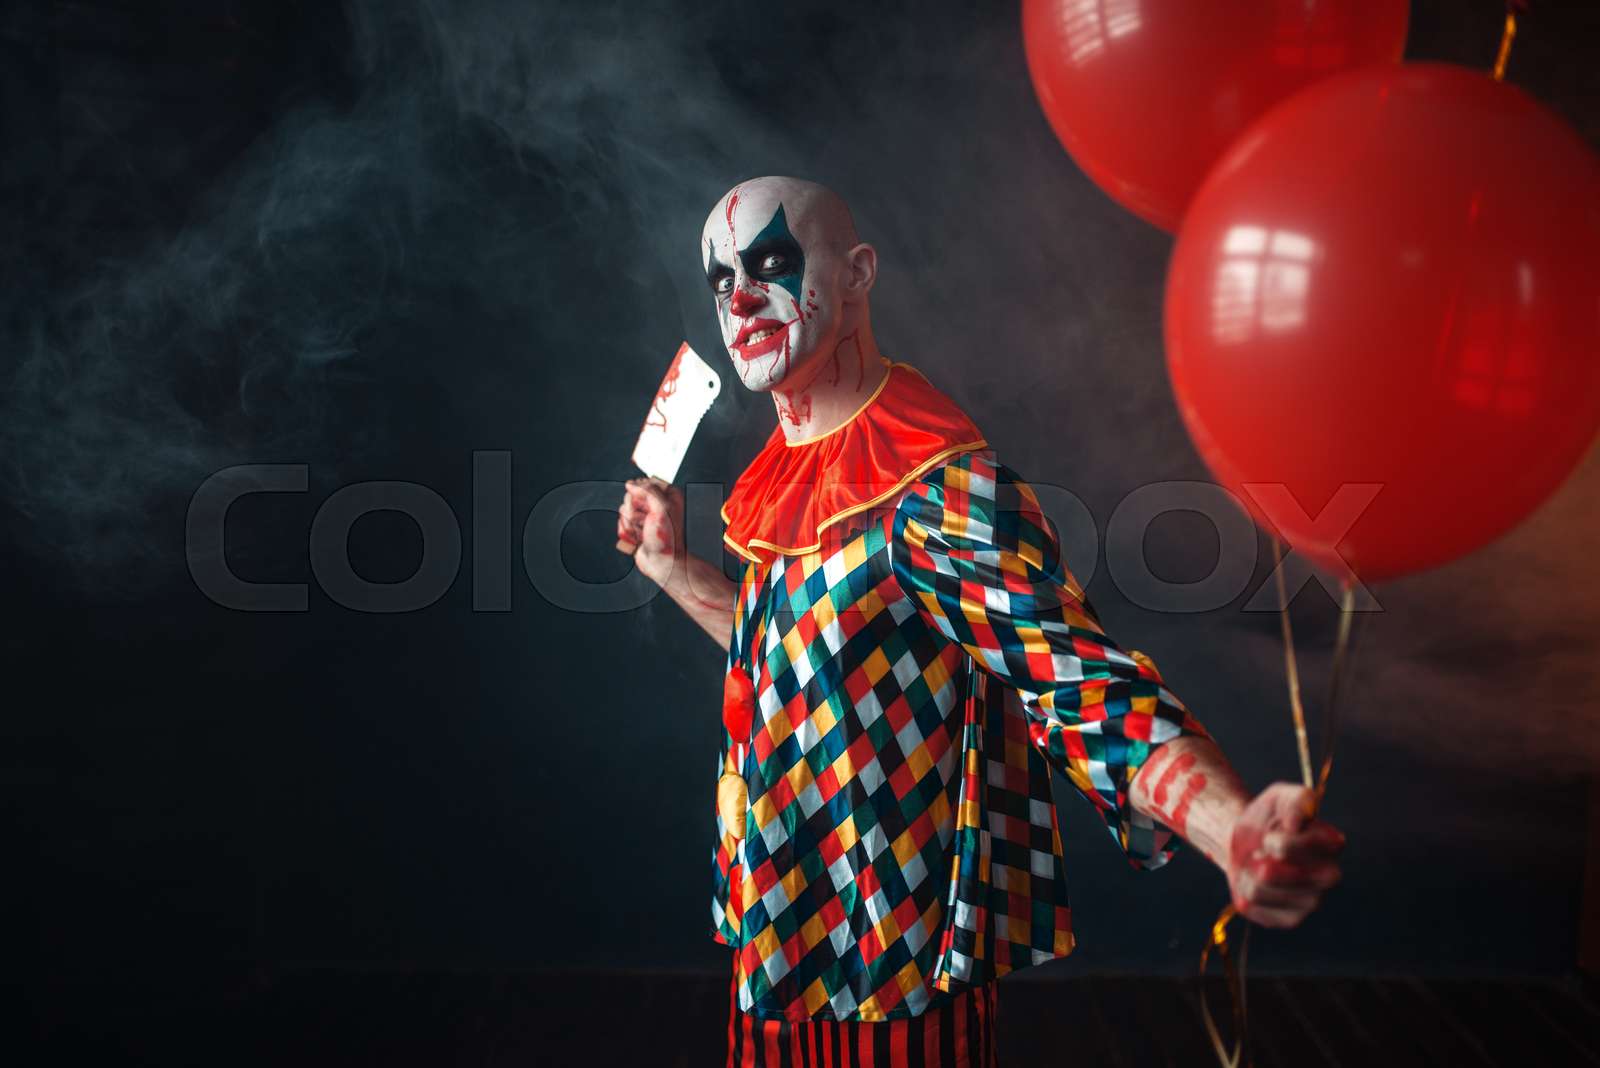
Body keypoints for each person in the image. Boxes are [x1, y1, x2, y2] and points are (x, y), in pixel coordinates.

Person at [616, 176, 1344, 1067]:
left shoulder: (933, 486)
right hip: (772, 930)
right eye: (720, 277)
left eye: (770, 262)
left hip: (889, 961)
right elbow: (794, 666)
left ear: (856, 275)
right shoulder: (782, 468)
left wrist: (1229, 827)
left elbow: (1075, 681)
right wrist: (672, 569)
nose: (739, 297)